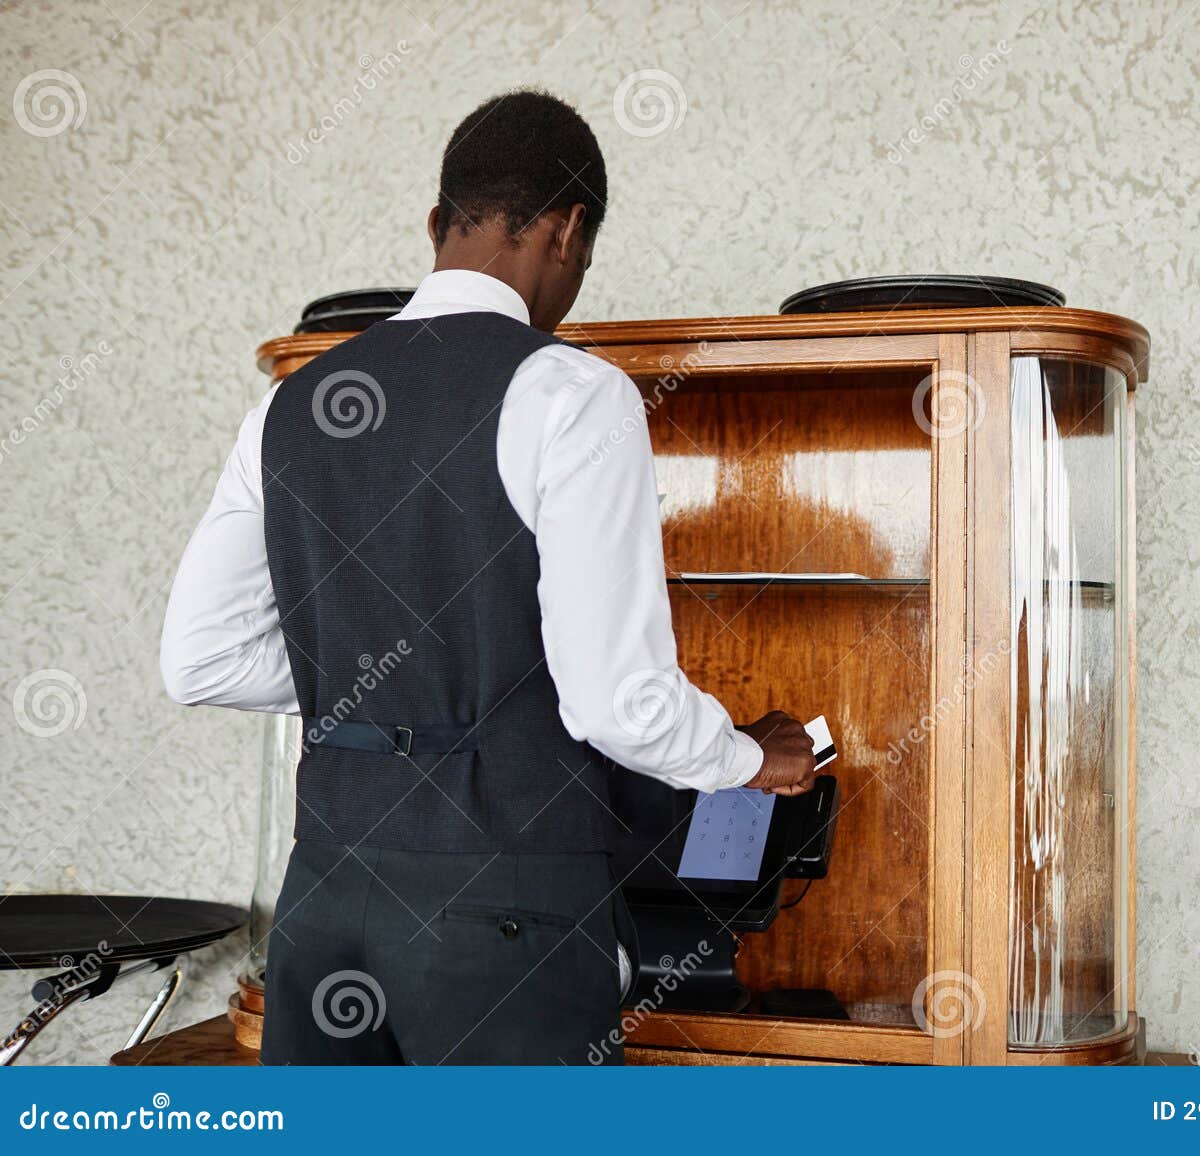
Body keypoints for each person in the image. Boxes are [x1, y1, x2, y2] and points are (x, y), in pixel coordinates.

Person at [159, 89, 818, 1065]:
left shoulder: (293, 405)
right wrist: (746, 758)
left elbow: (198, 661)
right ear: (568, 230)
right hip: (504, 915)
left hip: (326, 901)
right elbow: (616, 702)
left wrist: (381, 672)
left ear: (436, 223)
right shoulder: (572, 393)